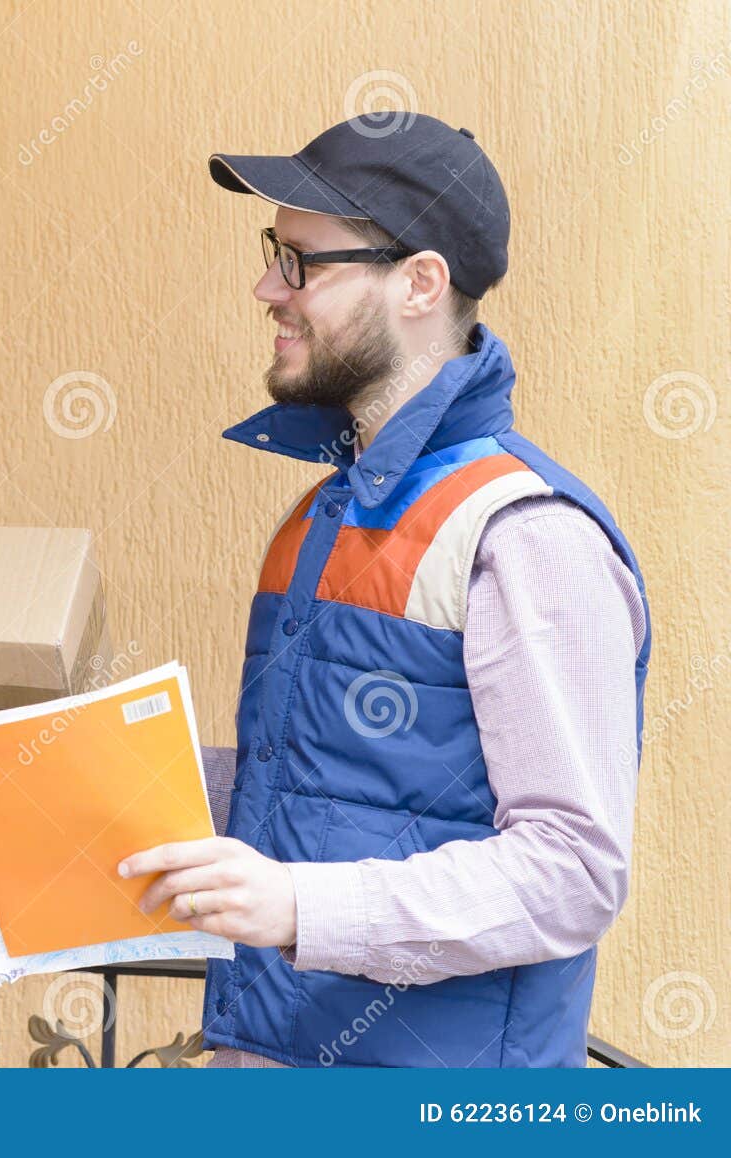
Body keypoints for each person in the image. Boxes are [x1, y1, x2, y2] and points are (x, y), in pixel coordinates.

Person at [119, 114, 651, 1067]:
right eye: (271, 256)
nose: (266, 289)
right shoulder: (322, 516)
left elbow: (572, 873)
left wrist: (297, 906)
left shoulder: (528, 537)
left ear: (420, 281)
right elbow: (343, 785)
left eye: (302, 263)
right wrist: (76, 763)